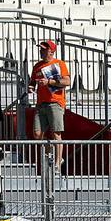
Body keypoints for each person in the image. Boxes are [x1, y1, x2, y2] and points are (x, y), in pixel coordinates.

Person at [30, 39, 69, 172]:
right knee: (37, 133)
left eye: (43, 49)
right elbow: (32, 82)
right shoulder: (37, 66)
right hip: (41, 103)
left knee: (56, 132)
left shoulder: (59, 64)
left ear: (51, 51)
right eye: (40, 49)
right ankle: (49, 153)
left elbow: (66, 81)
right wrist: (30, 87)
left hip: (55, 102)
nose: (41, 51)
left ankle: (58, 161)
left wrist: (50, 82)